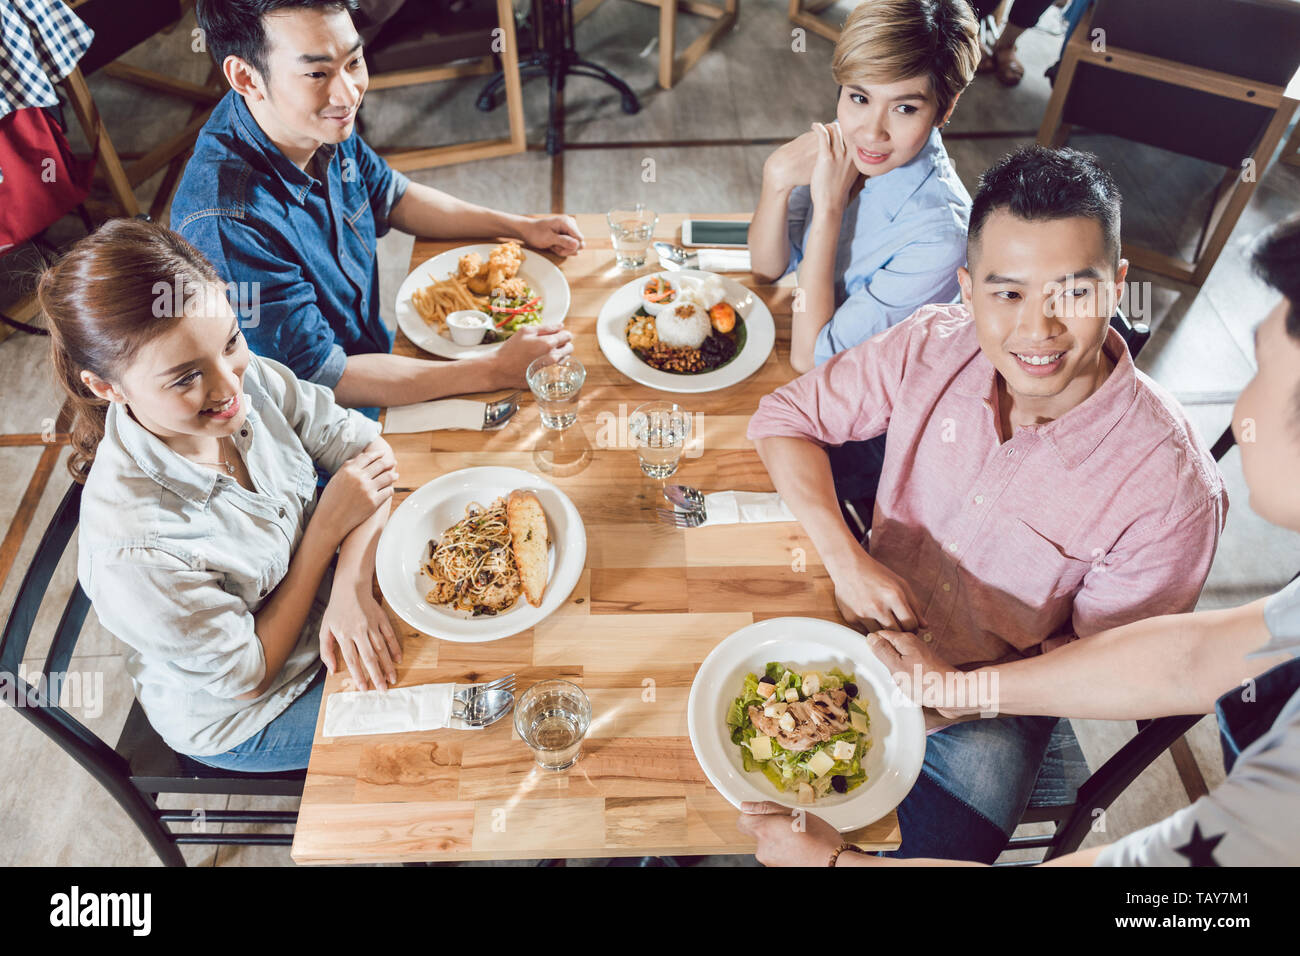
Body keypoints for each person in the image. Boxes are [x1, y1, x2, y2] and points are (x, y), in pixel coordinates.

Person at [739, 214, 1300, 867]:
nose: (1240, 416)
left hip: (1006, 702)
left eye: (1260, 366)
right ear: (969, 287)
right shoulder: (935, 345)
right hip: (867, 636)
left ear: (1116, 290)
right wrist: (847, 559)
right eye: (1008, 292)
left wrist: (838, 863)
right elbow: (1189, 660)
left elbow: (1107, 675)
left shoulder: (1174, 491)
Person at [42, 218, 402, 772]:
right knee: (431, 718)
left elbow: (366, 450)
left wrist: (352, 588)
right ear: (106, 387)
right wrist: (327, 530)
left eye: (232, 340)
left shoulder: (235, 376)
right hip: (255, 710)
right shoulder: (134, 554)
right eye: (185, 378)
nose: (232, 387)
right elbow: (248, 677)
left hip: (331, 598)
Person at [172, 0, 579, 419]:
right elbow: (325, 377)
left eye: (354, 61)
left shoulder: (308, 119)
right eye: (317, 73)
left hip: (379, 361)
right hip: (321, 430)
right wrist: (496, 370)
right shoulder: (226, 224)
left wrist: (519, 227)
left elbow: (392, 196)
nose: (348, 94)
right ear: (246, 77)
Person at [747, 0, 980, 511]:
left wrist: (828, 209)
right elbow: (766, 266)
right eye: (858, 98)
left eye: (905, 107)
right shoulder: (850, 146)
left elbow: (811, 362)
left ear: (946, 107)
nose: (871, 132)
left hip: (869, 439)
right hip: (801, 361)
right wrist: (776, 177)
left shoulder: (941, 238)